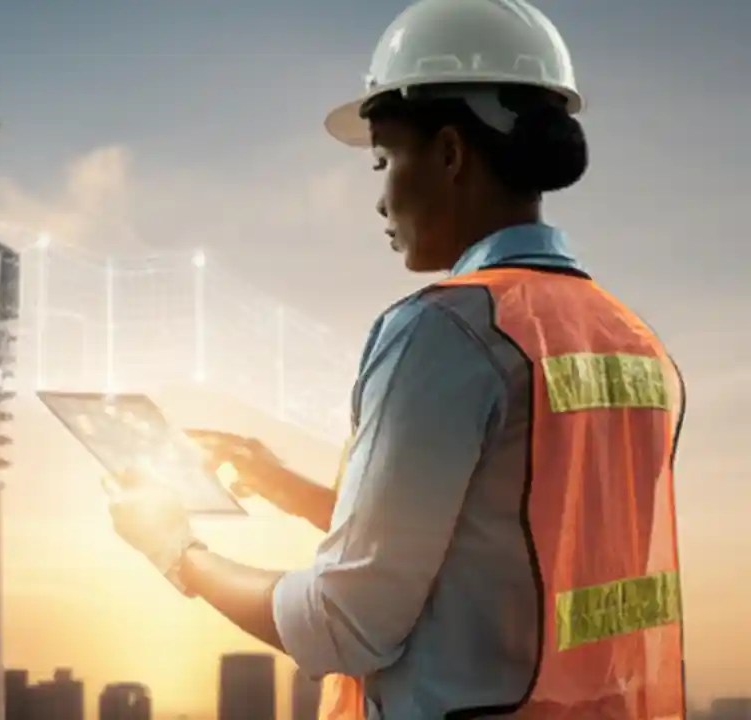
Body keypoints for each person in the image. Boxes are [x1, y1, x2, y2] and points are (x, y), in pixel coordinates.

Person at [105, 0, 687, 717]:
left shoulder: (448, 329)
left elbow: (344, 623)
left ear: (448, 153)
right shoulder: (631, 339)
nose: (380, 200)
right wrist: (283, 484)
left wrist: (175, 551)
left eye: (384, 159)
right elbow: (495, 553)